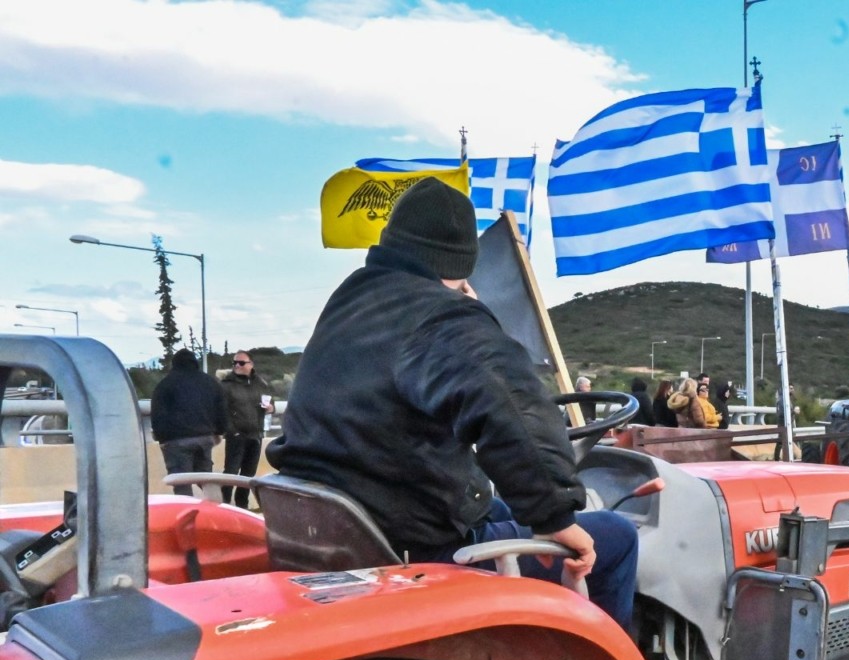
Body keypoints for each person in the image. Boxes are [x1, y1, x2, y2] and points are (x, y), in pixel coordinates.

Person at [267, 177, 638, 630]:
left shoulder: (354, 300)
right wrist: (554, 514)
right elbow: (511, 402)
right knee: (617, 536)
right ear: (462, 264)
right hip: (414, 548)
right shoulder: (440, 315)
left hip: (355, 519)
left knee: (498, 507)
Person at [150, 349, 227, 496]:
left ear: (174, 364)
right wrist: (220, 431)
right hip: (205, 438)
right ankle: (215, 507)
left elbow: (158, 414)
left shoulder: (165, 384)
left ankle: (187, 510)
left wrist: (161, 437)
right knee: (206, 481)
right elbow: (222, 409)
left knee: (182, 484)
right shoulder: (210, 382)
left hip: (176, 441)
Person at [220, 349, 275, 509]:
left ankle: (242, 506)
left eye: (241, 363)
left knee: (248, 474)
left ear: (251, 365)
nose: (237, 365)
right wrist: (232, 431)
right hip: (236, 435)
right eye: (234, 363)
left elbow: (270, 404)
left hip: (255, 434)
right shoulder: (226, 385)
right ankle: (224, 504)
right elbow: (222, 411)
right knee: (231, 472)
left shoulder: (261, 384)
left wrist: (270, 408)